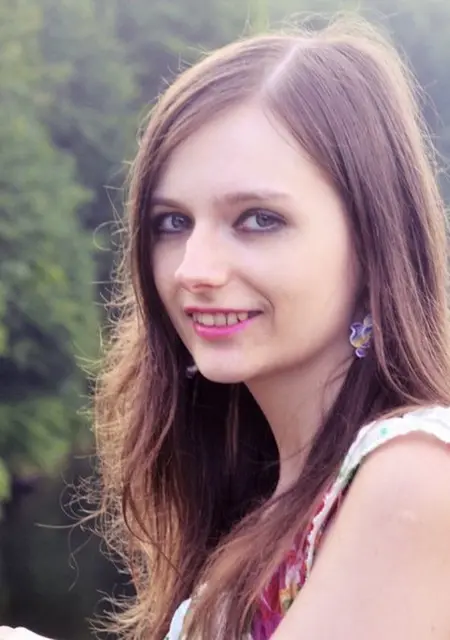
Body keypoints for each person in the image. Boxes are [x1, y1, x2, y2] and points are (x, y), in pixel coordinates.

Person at [4, 13, 450, 640]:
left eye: (258, 219)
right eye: (172, 222)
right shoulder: (272, 489)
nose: (194, 269)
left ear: (374, 243)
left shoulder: (416, 475)